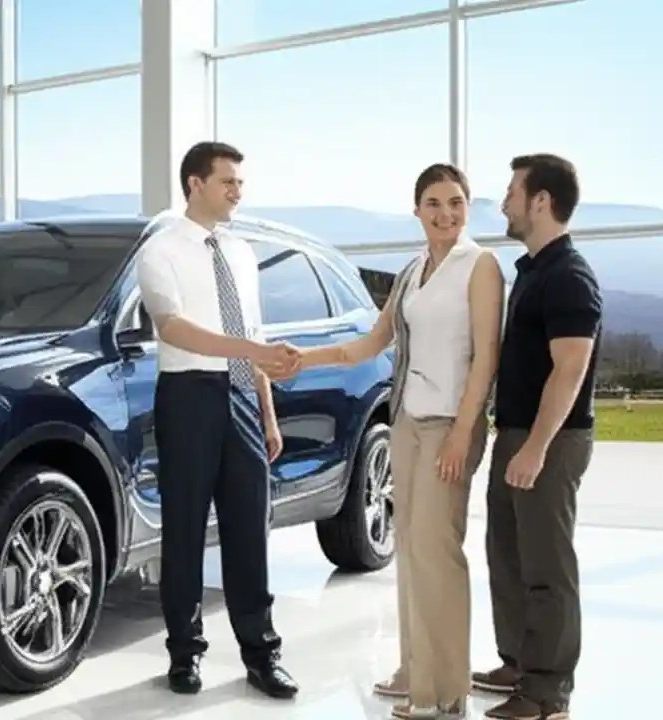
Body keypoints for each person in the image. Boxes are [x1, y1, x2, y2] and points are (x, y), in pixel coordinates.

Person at [282, 163, 504, 718]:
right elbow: (372, 343)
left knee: (438, 555)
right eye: (434, 203)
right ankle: (415, 671)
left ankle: (443, 690)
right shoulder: (412, 272)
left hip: (450, 426)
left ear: (467, 207)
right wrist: (300, 360)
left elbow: (485, 359)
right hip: (407, 422)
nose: (445, 214)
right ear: (417, 210)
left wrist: (462, 434)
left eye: (455, 203)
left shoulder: (480, 266)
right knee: (409, 552)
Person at [135, 140, 301, 699]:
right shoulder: (161, 249)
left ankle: (262, 654)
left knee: (249, 530)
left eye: (239, 182)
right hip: (187, 395)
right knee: (184, 531)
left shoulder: (242, 253)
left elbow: (251, 335)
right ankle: (184, 655)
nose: (237, 191)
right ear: (195, 184)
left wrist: (267, 414)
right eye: (227, 181)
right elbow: (172, 328)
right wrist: (248, 352)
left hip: (241, 398)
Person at [473, 154, 600, 720]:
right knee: (507, 554)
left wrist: (536, 447)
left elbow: (569, 369)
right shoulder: (533, 270)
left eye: (511, 192)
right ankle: (520, 662)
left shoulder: (569, 277)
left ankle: (548, 693)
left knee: (547, 567)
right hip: (518, 434)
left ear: (540, 201)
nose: (504, 202)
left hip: (550, 440)